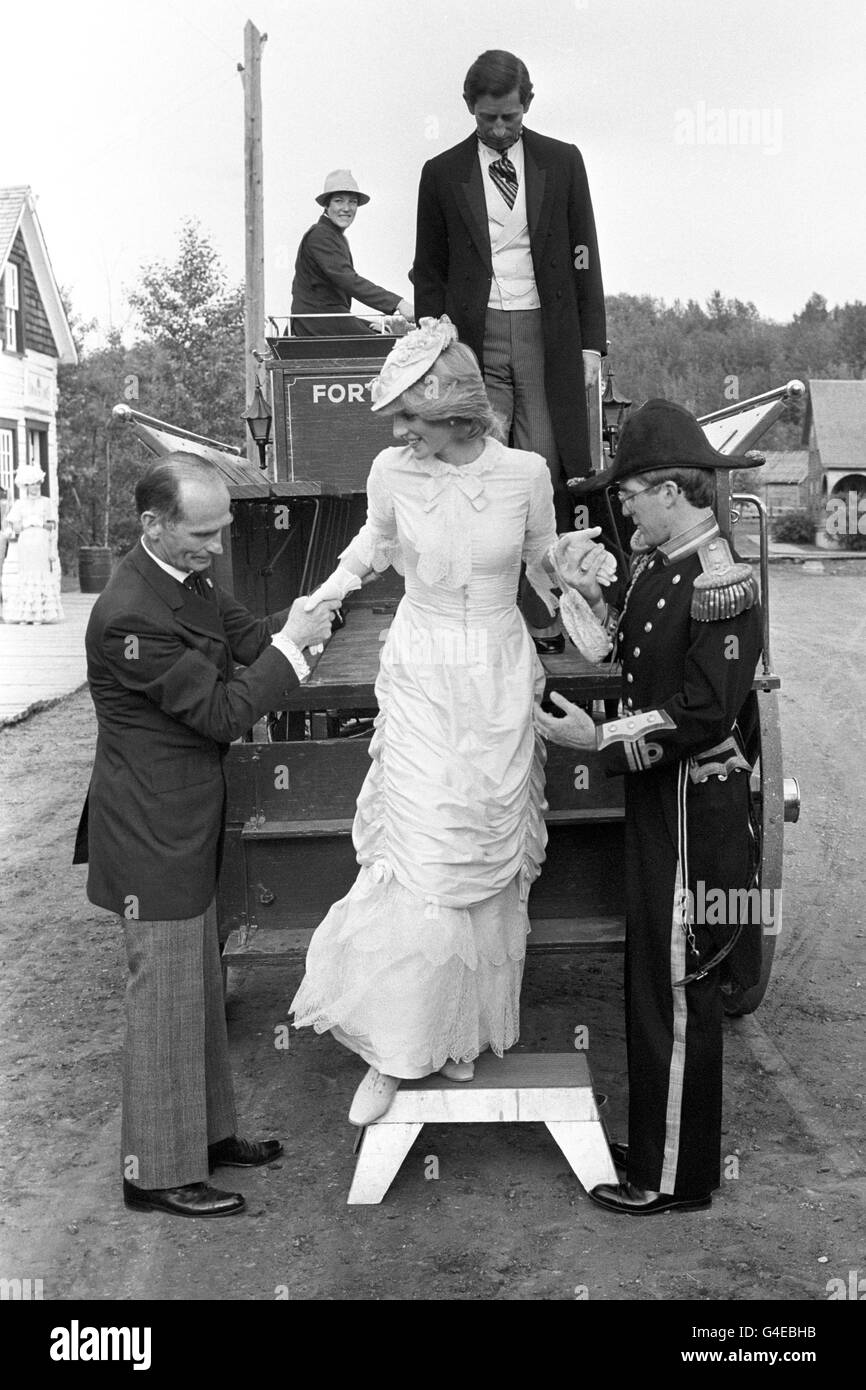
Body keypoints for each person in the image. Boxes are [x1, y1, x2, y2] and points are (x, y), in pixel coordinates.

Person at [289, 317, 612, 1126]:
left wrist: (578, 584)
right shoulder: (392, 473)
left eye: (411, 418)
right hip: (424, 673)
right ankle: (396, 1051)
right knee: (425, 856)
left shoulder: (527, 473)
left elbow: (542, 562)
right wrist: (328, 592)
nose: (401, 434)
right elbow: (372, 541)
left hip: (499, 675)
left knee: (485, 861)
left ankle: (458, 1036)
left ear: (456, 409)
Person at [73, 453, 339, 1218]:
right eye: (203, 534)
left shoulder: (180, 577)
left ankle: (208, 1135)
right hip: (151, 831)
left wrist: (308, 612)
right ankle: (154, 1172)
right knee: (162, 999)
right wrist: (293, 650)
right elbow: (225, 711)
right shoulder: (129, 614)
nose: (217, 548)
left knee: (196, 986)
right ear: (153, 524)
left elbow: (247, 637)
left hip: (184, 818)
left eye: (222, 532)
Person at [535, 399, 764, 1215]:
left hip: (693, 806)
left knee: (677, 983)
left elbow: (702, 711)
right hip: (657, 797)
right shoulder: (662, 569)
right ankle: (663, 1144)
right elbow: (615, 652)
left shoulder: (719, 584)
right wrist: (567, 586)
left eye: (628, 491)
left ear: (671, 490)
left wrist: (594, 739)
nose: (619, 505)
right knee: (652, 981)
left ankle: (672, 1178)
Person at [412, 49, 606, 650]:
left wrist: (591, 344)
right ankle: (494, 612)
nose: (500, 130)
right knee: (482, 466)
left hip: (550, 333)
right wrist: (432, 346)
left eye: (511, 117)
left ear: (528, 102)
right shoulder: (440, 173)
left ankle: (552, 610)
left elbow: (585, 255)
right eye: (488, 118)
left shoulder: (562, 162)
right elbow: (430, 269)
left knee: (542, 467)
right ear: (470, 108)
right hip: (476, 336)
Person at [291, 169, 414, 336]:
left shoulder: (333, 235)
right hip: (316, 323)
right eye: (339, 201)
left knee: (385, 333)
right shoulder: (321, 235)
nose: (346, 208)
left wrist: (366, 324)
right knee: (393, 349)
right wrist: (399, 303)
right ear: (326, 205)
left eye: (353, 202)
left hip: (327, 319)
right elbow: (348, 280)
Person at [2, 463, 63, 624]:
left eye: (37, 484)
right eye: (31, 485)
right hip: (26, 542)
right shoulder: (20, 504)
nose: (35, 487)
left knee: (40, 573)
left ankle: (39, 615)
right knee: (26, 575)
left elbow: (51, 525)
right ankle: (25, 614)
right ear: (26, 487)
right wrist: (26, 523)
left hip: (41, 541)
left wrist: (40, 523)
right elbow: (14, 525)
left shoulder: (46, 502)